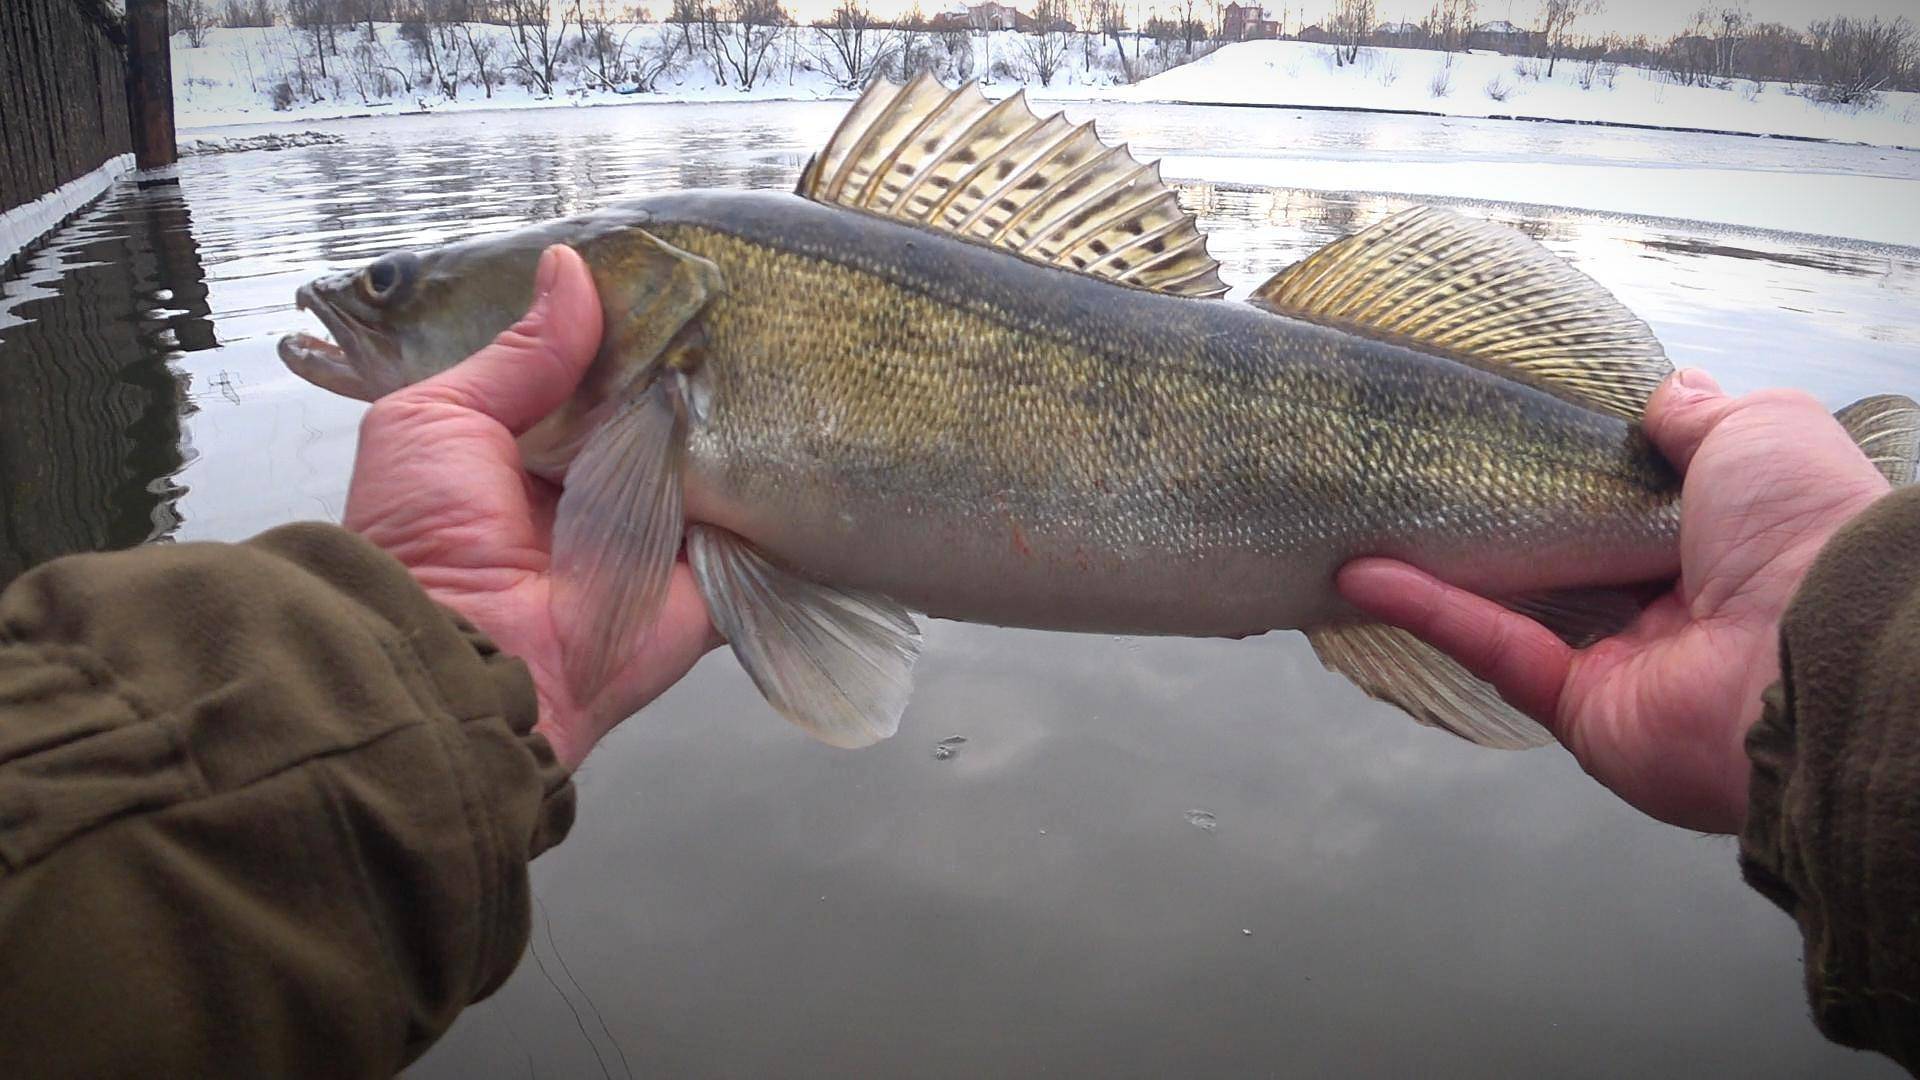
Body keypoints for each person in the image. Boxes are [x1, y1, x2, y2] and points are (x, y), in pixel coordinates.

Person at [0, 246, 1913, 1075]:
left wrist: (1823, 588)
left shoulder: (669, 352)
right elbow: (812, 652)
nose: (376, 314)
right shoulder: (653, 394)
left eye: (407, 294)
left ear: (599, 305)